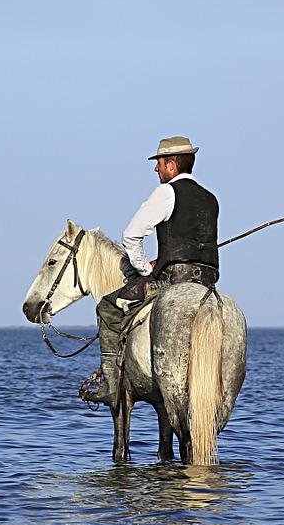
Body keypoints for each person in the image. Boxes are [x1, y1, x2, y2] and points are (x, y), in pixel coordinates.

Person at [80, 136, 220, 406]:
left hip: (173, 280)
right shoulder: (211, 199)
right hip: (207, 284)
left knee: (107, 308)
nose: (156, 169)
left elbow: (131, 235)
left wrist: (146, 268)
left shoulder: (167, 193)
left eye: (159, 163)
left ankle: (110, 385)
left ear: (172, 164)